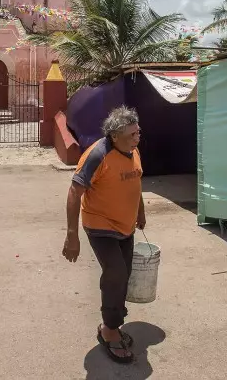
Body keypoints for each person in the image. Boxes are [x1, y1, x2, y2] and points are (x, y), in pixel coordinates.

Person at [62, 106, 146, 364]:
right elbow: (75, 192)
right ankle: (109, 330)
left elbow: (136, 182)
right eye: (132, 134)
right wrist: (72, 235)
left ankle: (112, 324)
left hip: (126, 226)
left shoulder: (133, 150)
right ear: (114, 136)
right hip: (100, 225)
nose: (137, 137)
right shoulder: (98, 154)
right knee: (116, 273)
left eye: (138, 132)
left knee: (123, 274)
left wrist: (140, 212)